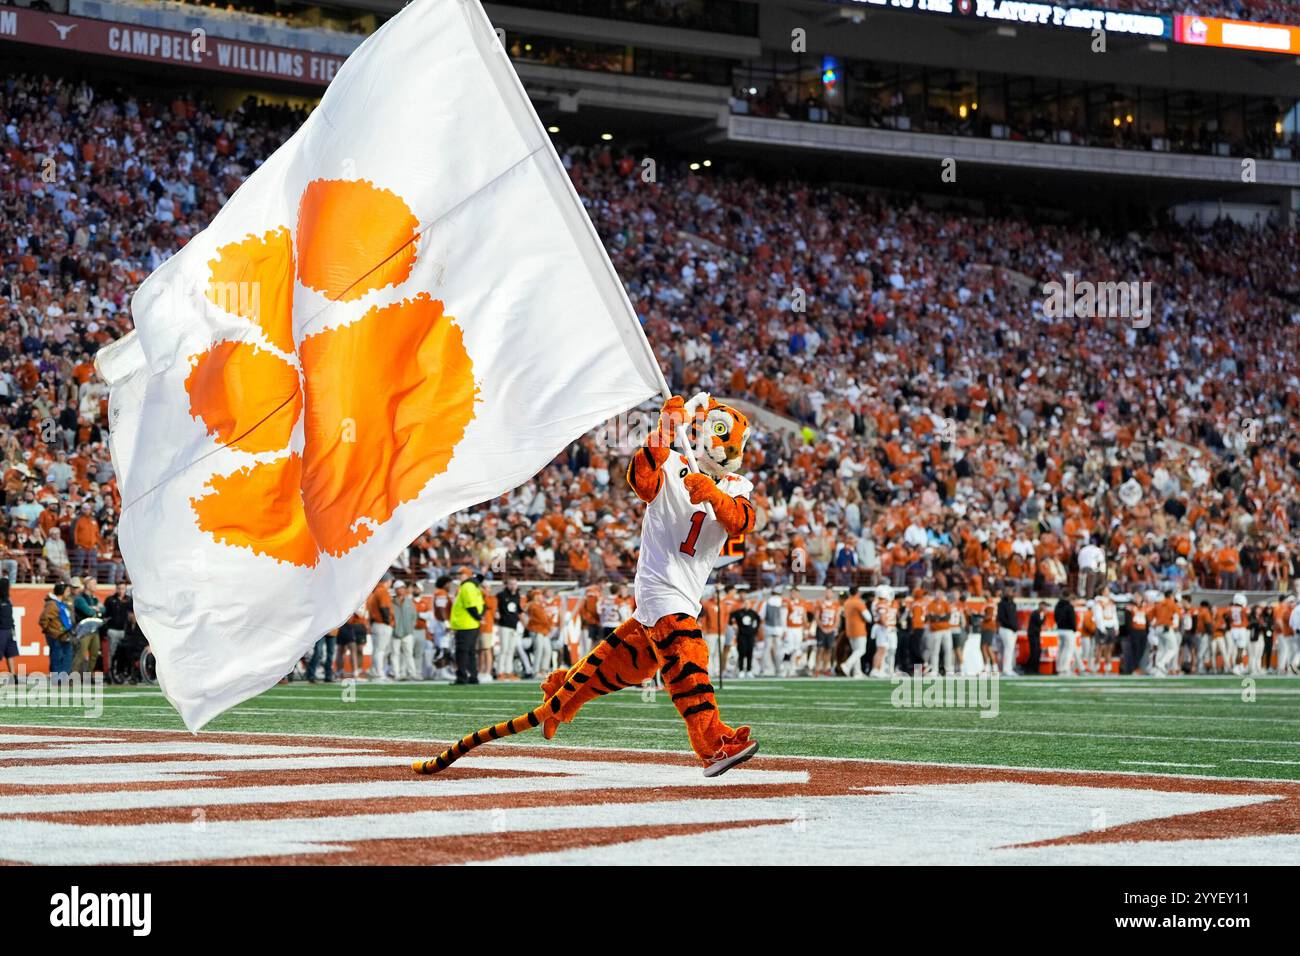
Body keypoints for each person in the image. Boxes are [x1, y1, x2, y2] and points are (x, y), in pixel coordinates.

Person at [416, 394, 759, 778]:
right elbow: (641, 481)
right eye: (720, 432)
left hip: (678, 595)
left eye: (735, 440)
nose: (728, 446)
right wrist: (663, 431)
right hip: (662, 588)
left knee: (620, 666)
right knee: (687, 659)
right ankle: (713, 746)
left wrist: (712, 494)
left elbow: (742, 522)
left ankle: (561, 699)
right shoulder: (675, 463)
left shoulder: (734, 485)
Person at [449, 566, 485, 684]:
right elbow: (482, 604)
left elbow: (470, 605)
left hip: (465, 624)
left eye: (461, 574)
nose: (459, 577)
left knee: (462, 652)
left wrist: (477, 617)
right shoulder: (475, 587)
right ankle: (473, 676)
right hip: (472, 624)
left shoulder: (466, 586)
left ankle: (462, 676)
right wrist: (479, 618)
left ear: (468, 575)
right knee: (470, 652)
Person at [39, 582, 75, 679]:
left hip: (65, 634)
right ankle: (57, 678)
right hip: (56, 635)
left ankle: (63, 677)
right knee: (57, 657)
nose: (69, 593)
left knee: (67, 656)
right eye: (67, 591)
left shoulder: (61, 603)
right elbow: (43, 619)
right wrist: (52, 631)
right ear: (62, 592)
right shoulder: (52, 604)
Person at [71, 578, 104, 674]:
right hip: (84, 631)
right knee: (80, 654)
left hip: (94, 629)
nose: (96, 586)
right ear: (87, 585)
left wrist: (95, 609)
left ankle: (88, 675)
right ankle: (73, 676)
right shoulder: (80, 598)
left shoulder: (94, 598)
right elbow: (88, 611)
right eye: (94, 584)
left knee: (94, 654)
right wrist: (95, 609)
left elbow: (103, 609)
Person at [366, 580, 395, 682]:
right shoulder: (382, 591)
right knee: (380, 651)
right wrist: (387, 622)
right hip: (382, 624)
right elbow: (384, 607)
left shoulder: (375, 591)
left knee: (377, 650)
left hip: (376, 624)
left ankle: (374, 671)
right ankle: (379, 673)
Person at [102, 582, 131, 682]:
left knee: (124, 653)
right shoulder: (110, 600)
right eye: (119, 588)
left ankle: (123, 673)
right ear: (116, 588)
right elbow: (105, 617)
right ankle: (110, 673)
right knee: (112, 653)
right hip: (113, 630)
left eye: (122, 588)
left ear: (125, 589)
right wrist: (107, 630)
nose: (120, 590)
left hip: (125, 631)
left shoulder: (129, 600)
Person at [495, 578, 523, 680]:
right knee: (504, 649)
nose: (513, 586)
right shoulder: (501, 595)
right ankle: (500, 672)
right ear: (507, 584)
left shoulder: (517, 595)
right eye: (511, 584)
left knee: (511, 650)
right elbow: (496, 608)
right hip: (504, 625)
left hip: (514, 625)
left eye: (515, 584)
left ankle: (508, 671)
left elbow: (518, 610)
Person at [729, 596, 762, 678]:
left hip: (750, 635)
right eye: (745, 603)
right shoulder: (739, 612)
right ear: (743, 604)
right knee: (742, 652)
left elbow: (758, 621)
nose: (747, 604)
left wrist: (755, 630)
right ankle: (741, 670)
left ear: (750, 604)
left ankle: (749, 670)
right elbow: (730, 617)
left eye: (748, 603)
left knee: (750, 653)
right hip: (741, 635)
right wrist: (733, 625)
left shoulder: (753, 613)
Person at [392, 582, 418, 681]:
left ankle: (412, 674)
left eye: (403, 587)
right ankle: (396, 674)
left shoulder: (409, 602)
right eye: (399, 588)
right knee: (395, 654)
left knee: (409, 654)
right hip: (395, 633)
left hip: (407, 633)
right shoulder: (392, 602)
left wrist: (411, 627)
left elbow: (414, 616)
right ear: (395, 590)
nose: (401, 590)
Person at [813, 587, 841, 677]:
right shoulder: (820, 603)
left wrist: (832, 628)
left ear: (832, 594)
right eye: (827, 592)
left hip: (830, 629)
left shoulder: (836, 604)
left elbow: (837, 618)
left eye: (830, 592)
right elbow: (817, 617)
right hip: (821, 629)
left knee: (828, 650)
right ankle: (817, 668)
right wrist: (822, 627)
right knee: (820, 649)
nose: (828, 594)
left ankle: (825, 668)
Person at [996, 587, 1019, 676]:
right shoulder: (1002, 604)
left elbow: (1014, 617)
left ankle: (1009, 668)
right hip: (1005, 629)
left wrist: (1015, 627)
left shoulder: (1013, 604)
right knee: (1008, 649)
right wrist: (1011, 626)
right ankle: (1006, 669)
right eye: (1008, 591)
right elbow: (1002, 618)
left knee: (1010, 649)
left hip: (1013, 630)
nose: (1011, 593)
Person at [1054, 594, 1078, 676]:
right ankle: (1065, 669)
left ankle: (1059, 668)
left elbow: (1055, 617)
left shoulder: (1058, 606)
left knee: (1061, 650)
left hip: (1060, 630)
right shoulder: (1069, 607)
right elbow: (1072, 619)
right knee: (1068, 651)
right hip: (1068, 631)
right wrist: (1074, 629)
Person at [0, 578, 17, 680]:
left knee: (10, 654)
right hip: (2, 629)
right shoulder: (3, 600)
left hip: (9, 629)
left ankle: (13, 676)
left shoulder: (9, 599)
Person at [1025, 601, 1045, 675]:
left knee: (1037, 652)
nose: (1045, 608)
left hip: (1036, 635)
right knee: (1034, 652)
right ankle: (1030, 669)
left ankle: (1034, 669)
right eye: (1044, 606)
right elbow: (1040, 622)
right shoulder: (1035, 613)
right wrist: (1044, 616)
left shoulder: (1037, 613)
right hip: (1033, 635)